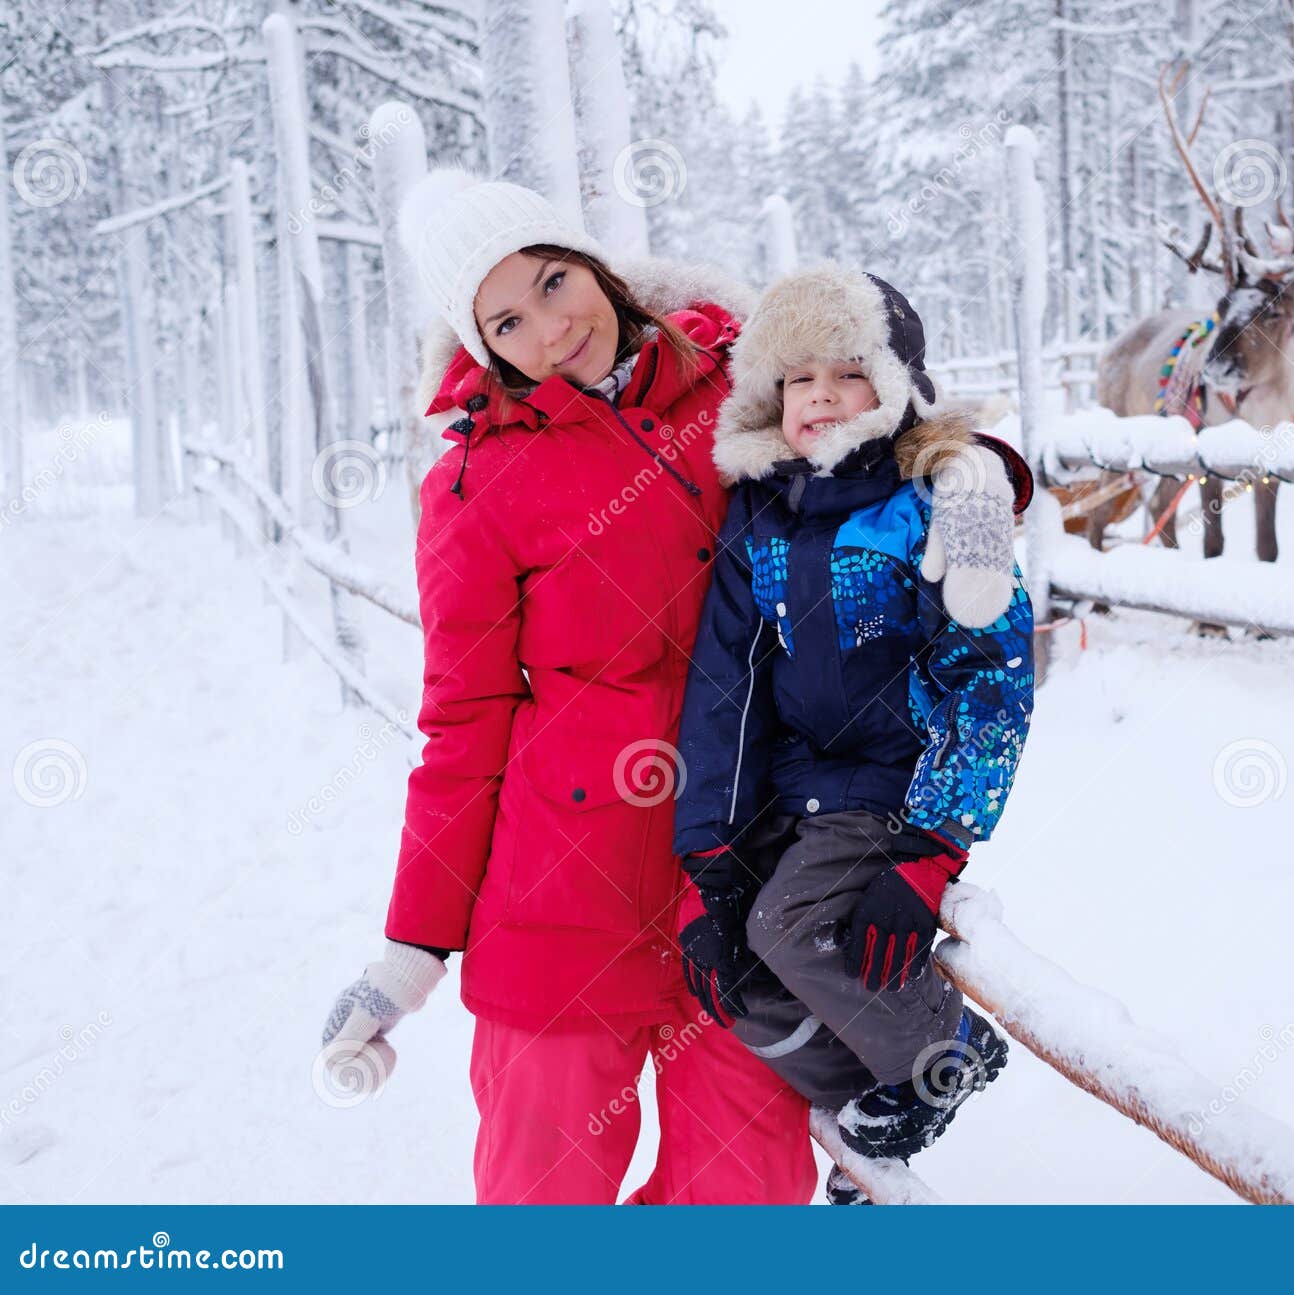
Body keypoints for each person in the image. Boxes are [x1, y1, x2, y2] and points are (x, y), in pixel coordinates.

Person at [317, 172, 1033, 1204]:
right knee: (539, 1204)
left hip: (742, 891)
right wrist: (411, 948)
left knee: (742, 1204)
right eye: (506, 319)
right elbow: (462, 724)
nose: (550, 328)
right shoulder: (473, 489)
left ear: (595, 265)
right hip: (558, 903)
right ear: (482, 347)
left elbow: (895, 443)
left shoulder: (739, 391)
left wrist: (977, 480)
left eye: (554, 280)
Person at [671, 265, 1035, 1204]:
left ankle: (944, 1050)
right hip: (795, 784)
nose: (822, 395)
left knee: (785, 925)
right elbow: (728, 680)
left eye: (848, 372)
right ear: (770, 395)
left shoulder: (930, 500)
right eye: (799, 378)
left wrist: (933, 842)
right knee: (739, 968)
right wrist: (711, 847)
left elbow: (989, 675)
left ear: (896, 384)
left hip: (891, 782)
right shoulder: (761, 513)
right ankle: (877, 1117)